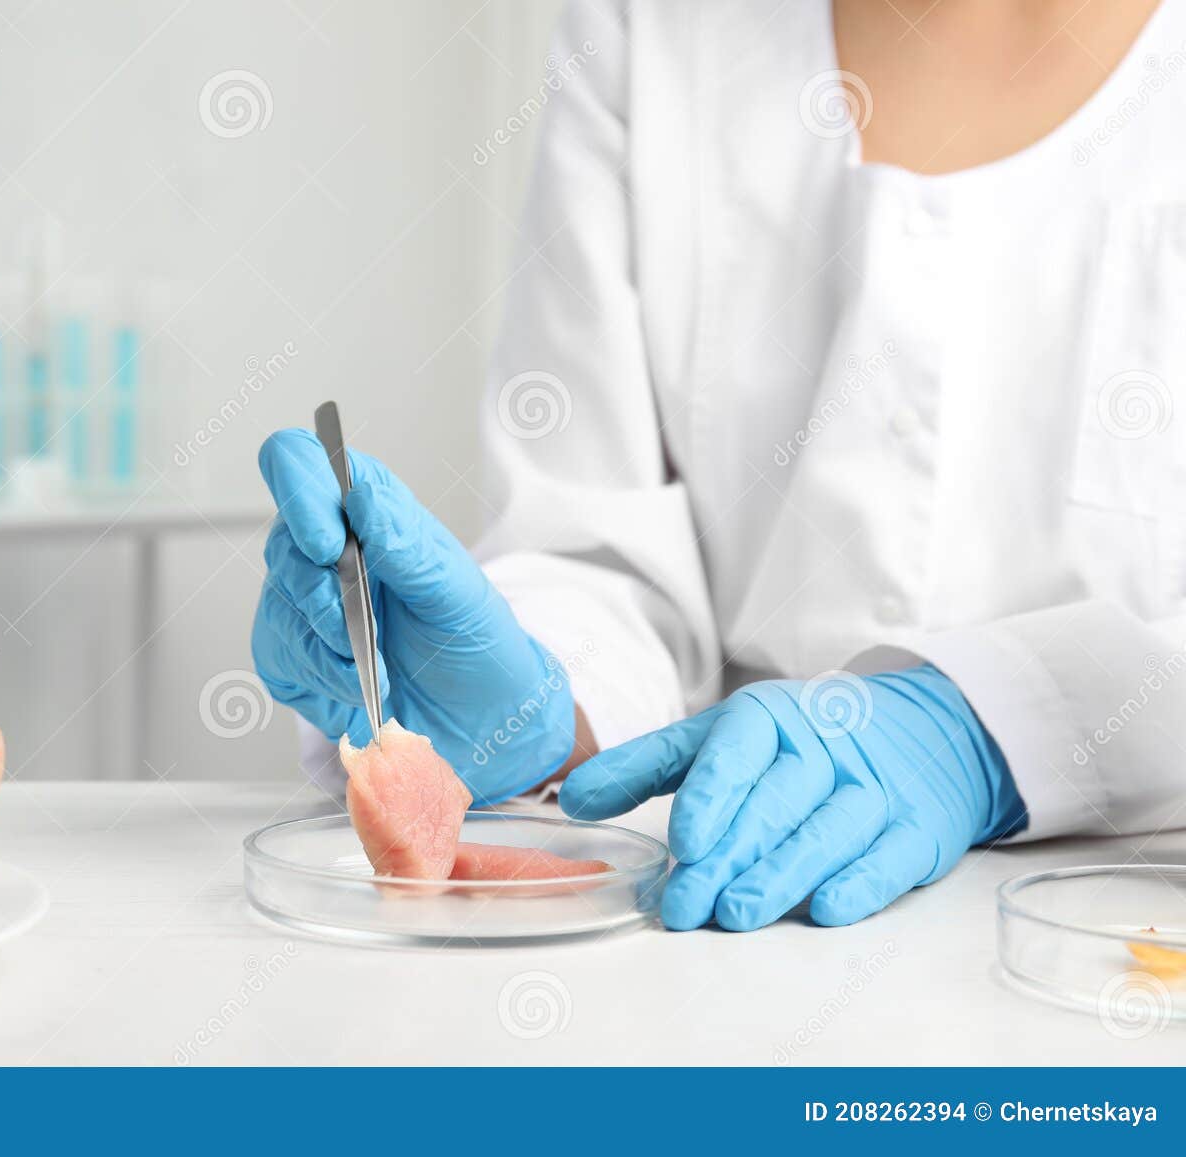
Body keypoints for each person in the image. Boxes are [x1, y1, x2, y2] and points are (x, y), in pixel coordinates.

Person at [251, 0, 1186, 931]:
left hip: (1121, 933)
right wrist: (534, 709)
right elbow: (599, 539)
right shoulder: (653, 25)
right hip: (733, 907)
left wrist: (992, 727)